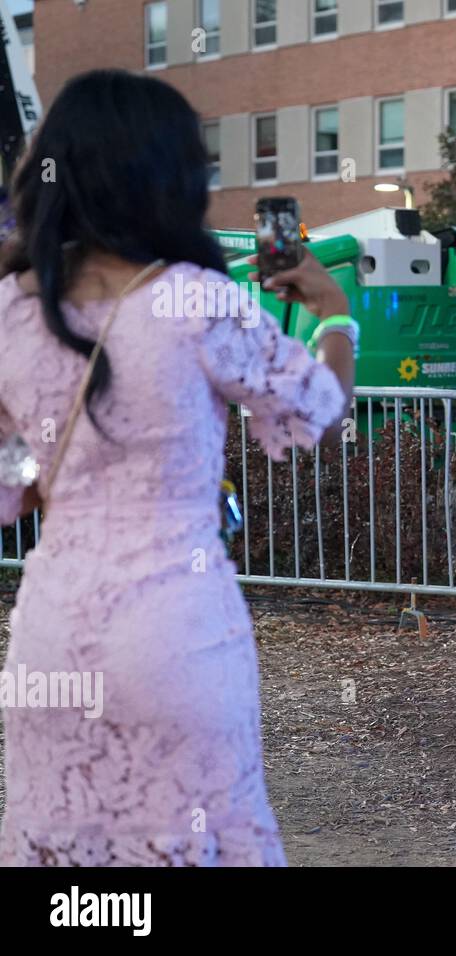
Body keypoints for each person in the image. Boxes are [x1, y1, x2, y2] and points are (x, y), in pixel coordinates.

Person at [0, 70, 356, 866]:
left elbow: (7, 489)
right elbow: (317, 413)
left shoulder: (12, 311)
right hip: (174, 629)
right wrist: (335, 313)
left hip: (52, 633)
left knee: (70, 857)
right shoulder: (199, 300)